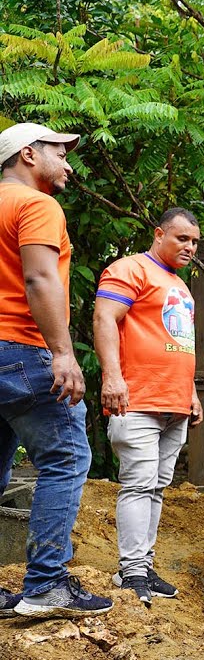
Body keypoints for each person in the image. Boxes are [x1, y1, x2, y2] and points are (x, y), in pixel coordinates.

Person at [0, 122, 114, 618]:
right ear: (28, 154)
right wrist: (62, 353)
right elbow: (39, 276)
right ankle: (46, 585)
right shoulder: (37, 205)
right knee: (66, 458)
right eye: (59, 152)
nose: (68, 163)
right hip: (22, 350)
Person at [93, 207, 203, 605]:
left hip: (173, 403)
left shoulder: (179, 285)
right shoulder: (130, 269)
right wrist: (112, 377)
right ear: (159, 234)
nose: (189, 247)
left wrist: (190, 391)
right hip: (137, 398)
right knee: (139, 485)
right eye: (182, 239)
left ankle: (143, 565)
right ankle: (131, 571)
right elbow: (105, 318)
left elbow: (178, 342)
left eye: (194, 242)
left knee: (156, 488)